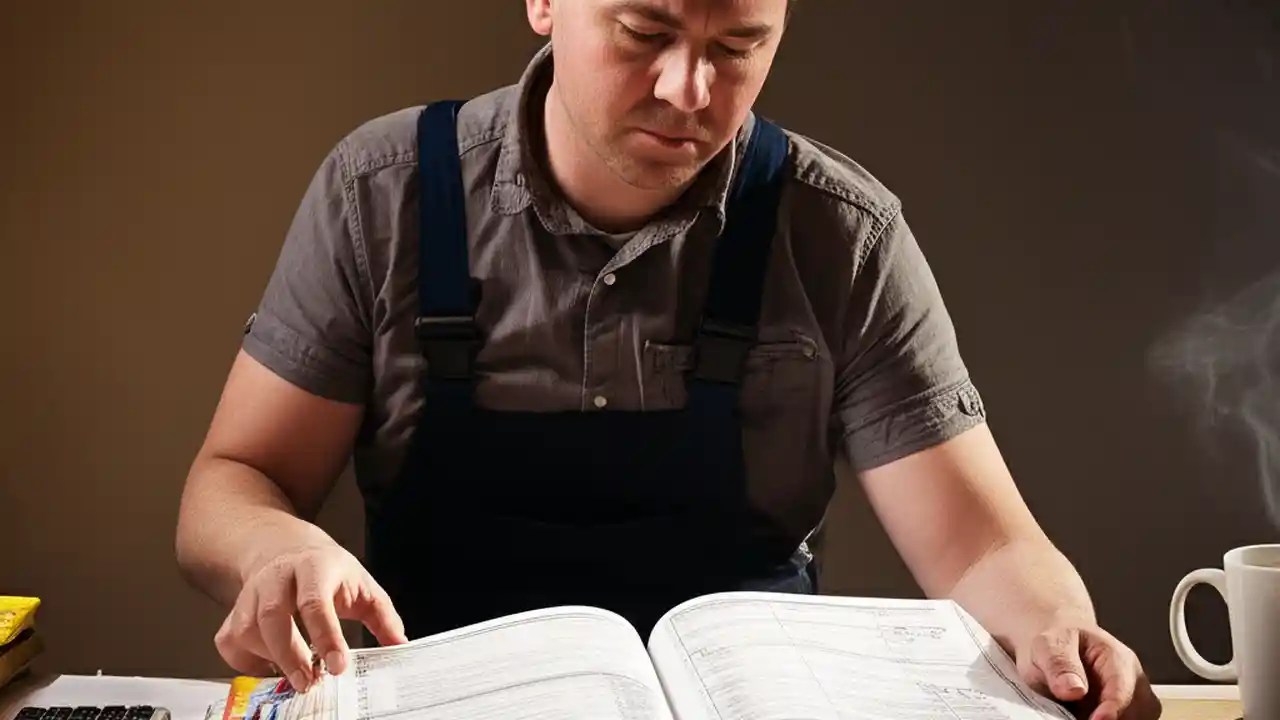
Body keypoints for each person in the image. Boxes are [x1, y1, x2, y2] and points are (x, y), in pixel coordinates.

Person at [175, 1, 1160, 718]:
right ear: (545, 4)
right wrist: (277, 549)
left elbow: (980, 549)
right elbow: (234, 480)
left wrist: (1058, 634)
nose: (690, 91)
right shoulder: (379, 193)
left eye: (737, 47)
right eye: (644, 33)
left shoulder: (838, 230)